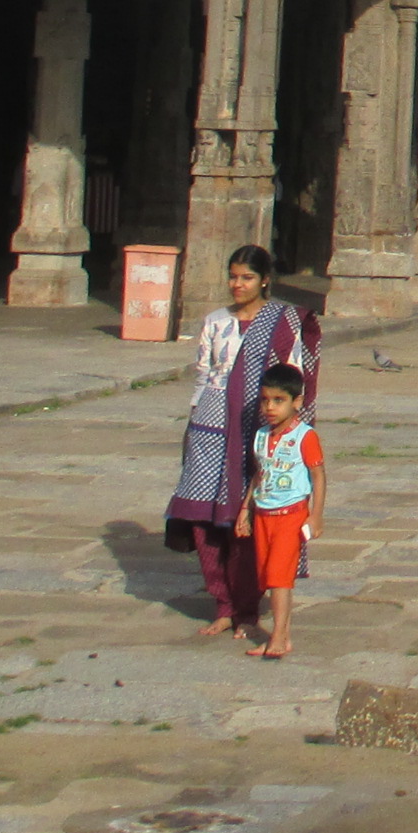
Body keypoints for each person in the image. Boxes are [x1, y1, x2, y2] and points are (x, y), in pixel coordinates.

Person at [161, 245, 319, 639]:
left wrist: (288, 428)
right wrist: (194, 421)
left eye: (246, 277)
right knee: (205, 517)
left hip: (260, 428)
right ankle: (223, 604)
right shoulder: (216, 321)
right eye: (233, 277)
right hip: (211, 429)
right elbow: (203, 375)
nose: (238, 284)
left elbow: (294, 376)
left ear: (264, 279)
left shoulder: (282, 321)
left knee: (249, 519)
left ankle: (247, 608)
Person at [237, 363, 325, 662]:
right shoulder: (261, 436)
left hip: (291, 515)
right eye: (265, 400)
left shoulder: (305, 436)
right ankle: (282, 635)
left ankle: (277, 637)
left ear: (296, 401)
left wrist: (316, 514)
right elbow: (259, 475)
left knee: (279, 578)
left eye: (278, 400)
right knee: (267, 575)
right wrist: (245, 509)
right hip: (263, 514)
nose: (270, 407)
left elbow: (319, 476)